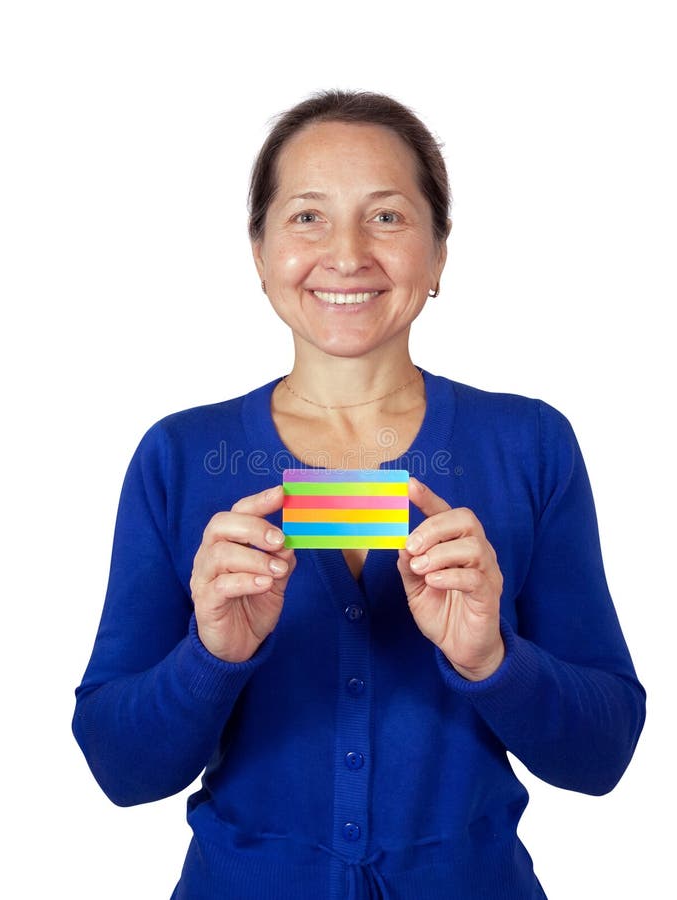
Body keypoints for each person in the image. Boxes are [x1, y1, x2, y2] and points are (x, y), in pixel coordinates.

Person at [72, 90, 645, 899]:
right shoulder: (180, 456)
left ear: (439, 252)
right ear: (259, 249)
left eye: (386, 217)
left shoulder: (528, 444)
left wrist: (490, 658)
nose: (346, 254)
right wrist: (212, 656)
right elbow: (120, 770)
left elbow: (602, 756)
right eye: (307, 216)